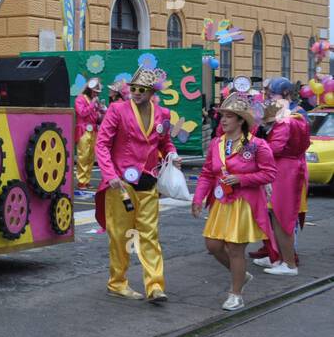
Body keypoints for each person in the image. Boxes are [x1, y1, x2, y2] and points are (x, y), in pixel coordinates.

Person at [93, 67, 182, 304]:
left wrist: (172, 156)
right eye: (133, 89)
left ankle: (155, 286)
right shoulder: (117, 110)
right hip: (121, 184)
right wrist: (110, 174)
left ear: (152, 91)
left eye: (141, 89)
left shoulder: (162, 113)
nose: (136, 93)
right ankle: (117, 282)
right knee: (120, 236)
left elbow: (166, 142)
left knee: (149, 236)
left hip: (148, 182)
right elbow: (101, 144)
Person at [192, 92, 277, 310]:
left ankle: (236, 293)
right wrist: (199, 197)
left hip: (244, 204)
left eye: (230, 116)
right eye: (223, 116)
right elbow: (207, 174)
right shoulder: (215, 144)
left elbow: (269, 174)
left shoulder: (257, 145)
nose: (224, 120)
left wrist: (242, 179)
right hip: (221, 203)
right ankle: (241, 274)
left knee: (236, 249)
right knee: (212, 245)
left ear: (241, 120)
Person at [251, 98, 309, 275]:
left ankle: (289, 264)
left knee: (281, 218)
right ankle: (280, 258)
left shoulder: (284, 125)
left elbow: (273, 148)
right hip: (289, 170)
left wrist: (253, 147)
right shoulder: (295, 120)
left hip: (285, 173)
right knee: (278, 218)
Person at [73, 78, 102, 195]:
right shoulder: (80, 99)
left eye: (98, 92)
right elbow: (82, 113)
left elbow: (95, 116)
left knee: (91, 157)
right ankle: (81, 181)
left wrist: (100, 109)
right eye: (94, 91)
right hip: (83, 130)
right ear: (89, 90)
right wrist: (92, 105)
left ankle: (87, 180)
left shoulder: (93, 100)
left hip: (94, 130)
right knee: (83, 156)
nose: (96, 94)